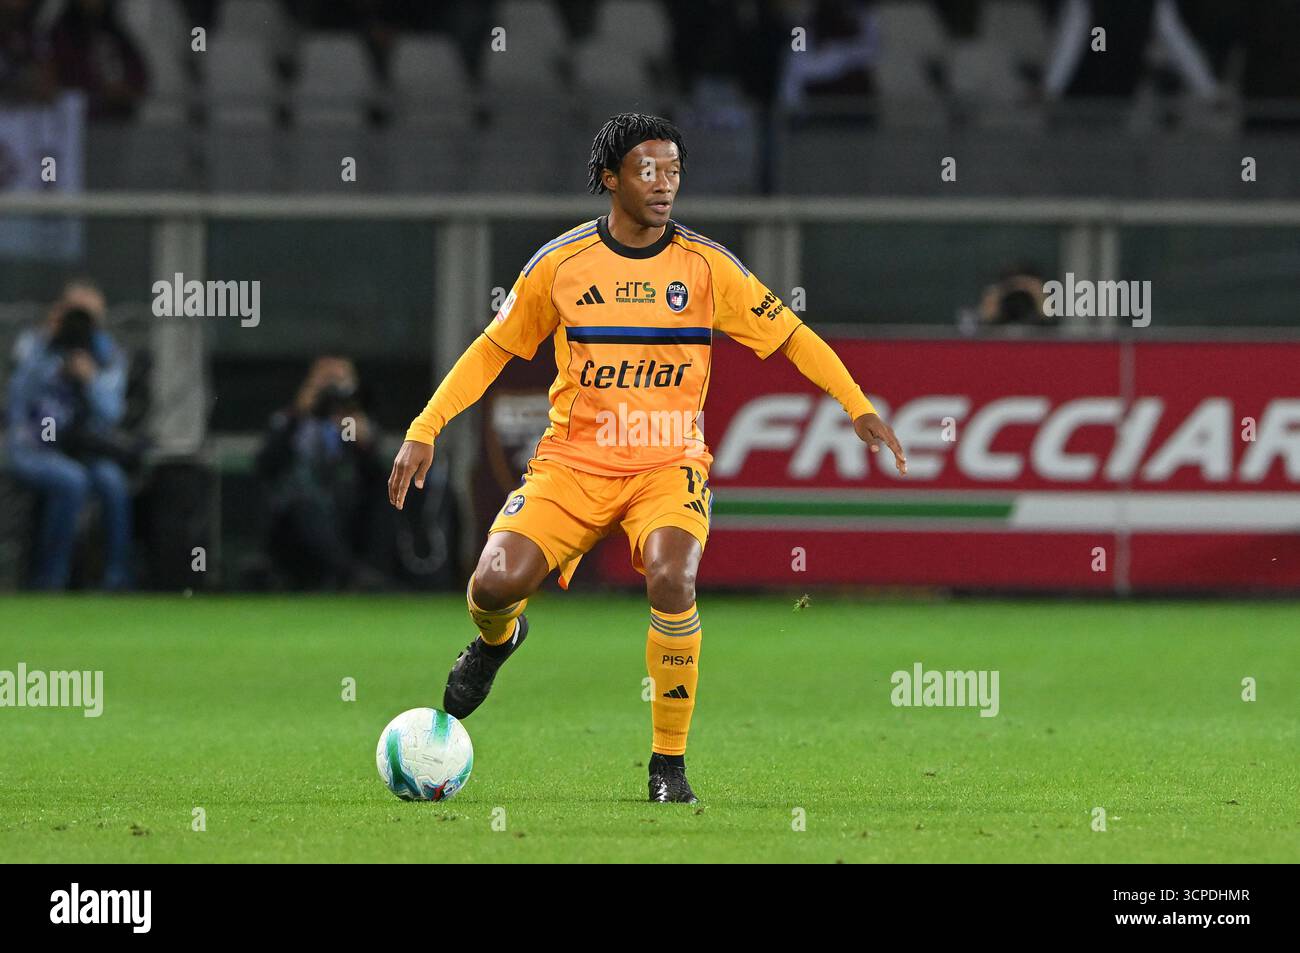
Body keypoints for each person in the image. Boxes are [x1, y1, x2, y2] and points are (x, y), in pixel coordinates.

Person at [388, 113, 907, 804]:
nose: (665, 186)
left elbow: (790, 334)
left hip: (670, 462)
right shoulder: (561, 265)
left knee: (672, 576)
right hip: (572, 463)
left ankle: (668, 765)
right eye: (647, 171)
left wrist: (856, 402)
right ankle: (495, 641)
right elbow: (491, 348)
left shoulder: (706, 266)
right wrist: (427, 425)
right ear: (610, 178)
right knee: (493, 582)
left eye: (674, 172)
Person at [6, 280, 131, 589]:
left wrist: (90, 380)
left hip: (82, 449)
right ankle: (50, 580)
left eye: (88, 316)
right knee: (71, 480)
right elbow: (18, 395)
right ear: (59, 311)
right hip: (33, 447)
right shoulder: (34, 344)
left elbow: (112, 413)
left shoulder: (107, 354)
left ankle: (116, 579)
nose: (79, 324)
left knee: (112, 482)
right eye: (75, 314)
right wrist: (51, 348)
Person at [256, 356, 388, 591]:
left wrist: (363, 444)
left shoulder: (357, 422)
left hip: (349, 515)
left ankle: (361, 572)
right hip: (295, 523)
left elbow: (377, 478)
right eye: (325, 382)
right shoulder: (291, 421)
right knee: (305, 503)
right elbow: (266, 465)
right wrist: (297, 414)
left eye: (339, 382)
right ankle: (350, 573)